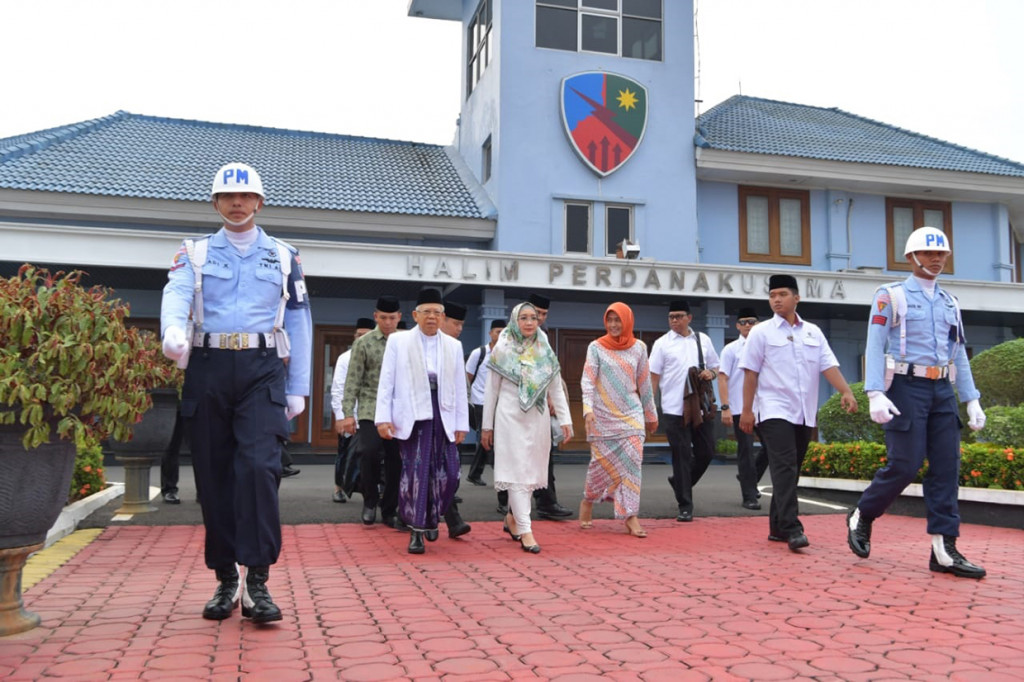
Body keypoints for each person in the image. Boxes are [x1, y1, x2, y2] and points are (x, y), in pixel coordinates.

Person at [160, 162, 312, 624]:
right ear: (216, 203)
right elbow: (177, 292)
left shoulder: (285, 256)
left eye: (246, 197)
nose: (238, 203)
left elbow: (300, 320)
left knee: (261, 469)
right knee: (214, 474)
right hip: (207, 367)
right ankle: (227, 579)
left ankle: (259, 582)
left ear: (260, 202)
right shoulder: (196, 251)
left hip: (262, 370)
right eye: (228, 197)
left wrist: (299, 386)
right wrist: (171, 329)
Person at [847, 226, 987, 579]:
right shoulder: (890, 296)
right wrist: (874, 392)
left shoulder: (949, 302)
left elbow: (959, 355)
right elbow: (876, 344)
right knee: (906, 464)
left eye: (941, 254)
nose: (936, 260)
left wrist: (971, 399)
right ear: (911, 257)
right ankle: (864, 513)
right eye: (928, 254)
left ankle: (944, 548)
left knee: (946, 468)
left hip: (941, 389)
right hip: (905, 387)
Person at [738, 274, 856, 552]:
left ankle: (778, 527)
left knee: (791, 470)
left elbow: (828, 366)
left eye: (782, 294)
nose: (776, 300)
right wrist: (746, 411)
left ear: (796, 297)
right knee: (784, 466)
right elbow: (750, 374)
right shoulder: (761, 332)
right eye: (772, 295)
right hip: (773, 410)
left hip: (804, 413)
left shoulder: (813, 332)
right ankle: (793, 528)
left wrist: (846, 391)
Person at [375, 288, 470, 554]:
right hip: (413, 414)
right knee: (416, 473)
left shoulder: (453, 345)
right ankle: (416, 530)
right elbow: (387, 382)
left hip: (444, 412)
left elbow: (459, 387)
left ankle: (433, 516)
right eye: (426, 312)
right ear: (415, 315)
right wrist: (383, 418)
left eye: (437, 313)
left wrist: (462, 423)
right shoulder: (398, 341)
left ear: (443, 316)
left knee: (450, 474)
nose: (432, 317)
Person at [481, 302, 573, 554]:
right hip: (509, 416)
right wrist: (486, 426)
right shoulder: (503, 347)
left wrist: (566, 420)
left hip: (538, 418)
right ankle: (526, 529)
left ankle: (512, 517)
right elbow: (492, 390)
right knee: (517, 470)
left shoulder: (543, 346)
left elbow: (555, 386)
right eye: (524, 317)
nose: (530, 322)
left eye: (533, 317)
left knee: (530, 472)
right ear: (514, 320)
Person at [578, 303, 658, 538]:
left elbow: (644, 384)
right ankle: (589, 500)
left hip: (631, 415)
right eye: (609, 320)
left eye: (618, 320)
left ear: (627, 321)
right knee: (599, 465)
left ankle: (630, 515)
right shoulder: (596, 347)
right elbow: (588, 381)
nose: (613, 325)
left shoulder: (639, 348)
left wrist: (650, 414)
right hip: (601, 417)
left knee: (633, 462)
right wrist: (587, 410)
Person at [648, 299, 720, 522]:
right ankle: (685, 505)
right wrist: (649, 407)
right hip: (672, 409)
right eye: (671, 317)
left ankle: (680, 483)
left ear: (689, 317)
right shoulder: (662, 344)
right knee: (681, 456)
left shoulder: (703, 340)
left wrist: (712, 374)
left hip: (699, 408)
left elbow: (716, 366)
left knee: (707, 452)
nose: (675, 321)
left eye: (679, 316)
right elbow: (653, 376)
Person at [341, 296, 404, 528]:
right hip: (370, 408)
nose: (388, 322)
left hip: (398, 411)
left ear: (399, 318)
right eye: (383, 318)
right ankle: (369, 501)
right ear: (376, 316)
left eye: (392, 318)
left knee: (396, 461)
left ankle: (389, 510)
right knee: (369, 452)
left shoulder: (406, 342)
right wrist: (348, 413)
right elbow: (353, 379)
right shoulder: (364, 343)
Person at [526, 292, 574, 520]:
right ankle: (513, 507)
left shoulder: (542, 336)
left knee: (545, 456)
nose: (540, 318)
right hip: (517, 408)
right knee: (519, 458)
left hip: (540, 409)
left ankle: (547, 503)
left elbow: (551, 371)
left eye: (544, 314)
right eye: (537, 313)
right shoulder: (511, 336)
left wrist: (554, 397)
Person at [717, 307, 769, 510]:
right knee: (745, 450)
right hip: (740, 408)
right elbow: (722, 378)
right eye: (743, 322)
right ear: (737, 325)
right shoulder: (730, 349)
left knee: (771, 448)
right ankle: (749, 496)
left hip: (763, 408)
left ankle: (749, 477)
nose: (748, 325)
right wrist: (725, 407)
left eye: (752, 321)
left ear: (758, 324)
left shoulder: (766, 347)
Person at [330, 317, 374, 503]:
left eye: (365, 335)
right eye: (358, 335)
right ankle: (339, 487)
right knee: (345, 452)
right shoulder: (345, 358)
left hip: (371, 415)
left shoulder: (378, 355)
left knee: (369, 455)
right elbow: (338, 388)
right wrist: (341, 416)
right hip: (350, 414)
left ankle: (369, 491)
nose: (361, 338)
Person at [466, 319, 506, 488]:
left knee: (488, 438)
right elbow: (467, 377)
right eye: (498, 331)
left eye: (504, 332)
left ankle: (474, 473)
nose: (501, 335)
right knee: (489, 438)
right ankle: (499, 473)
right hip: (480, 401)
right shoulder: (479, 353)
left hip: (499, 402)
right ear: (490, 333)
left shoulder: (506, 354)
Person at [160, 406, 183, 504]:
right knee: (171, 446)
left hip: (199, 401)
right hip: (174, 404)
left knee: (202, 447)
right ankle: (169, 489)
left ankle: (203, 491)